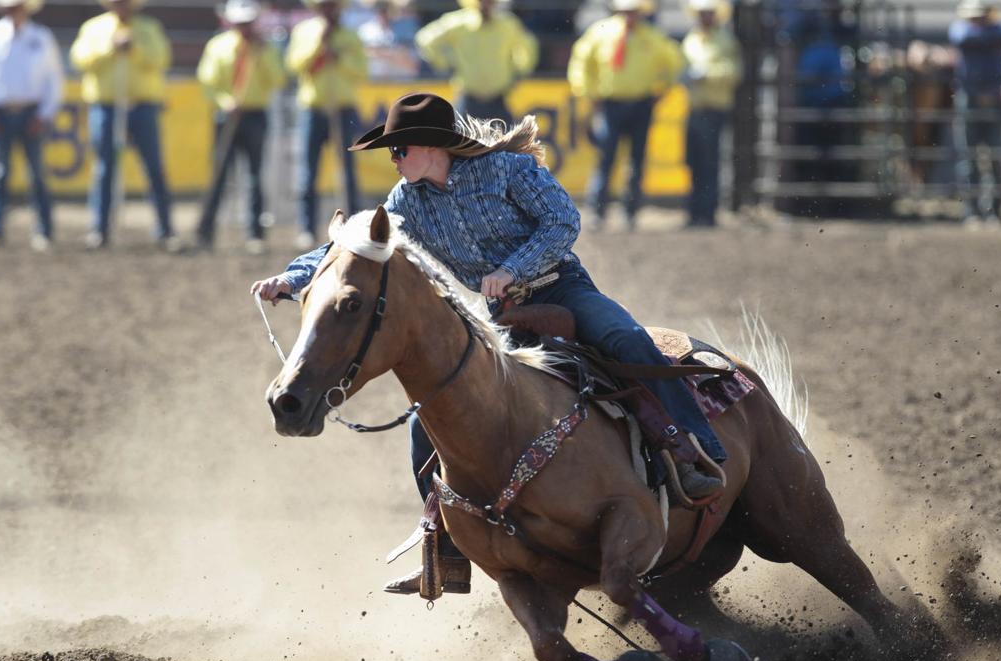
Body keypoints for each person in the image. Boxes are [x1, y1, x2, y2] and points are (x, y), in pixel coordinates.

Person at [252, 92, 727, 594]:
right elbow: (346, 250)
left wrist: (512, 268)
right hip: (499, 317)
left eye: (399, 150)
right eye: (391, 154)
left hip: (560, 288)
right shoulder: (405, 202)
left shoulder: (505, 170)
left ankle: (693, 453)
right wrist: (291, 278)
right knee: (425, 422)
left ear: (432, 146)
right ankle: (446, 545)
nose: (393, 162)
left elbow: (563, 220)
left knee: (625, 340)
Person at [70, 0, 180, 251]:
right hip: (106, 106)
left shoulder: (149, 28)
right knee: (104, 168)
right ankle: (99, 229)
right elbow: (80, 59)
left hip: (143, 106)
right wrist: (110, 48)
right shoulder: (94, 28)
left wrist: (135, 49)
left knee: (154, 169)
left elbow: (161, 59)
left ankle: (165, 229)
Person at [568, 0, 685, 229]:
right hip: (611, 104)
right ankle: (598, 210)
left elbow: (674, 62)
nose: (629, 16)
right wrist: (588, 93)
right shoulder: (602, 34)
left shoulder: (652, 36)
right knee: (606, 157)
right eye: (626, 12)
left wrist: (663, 89)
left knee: (636, 159)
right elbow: (581, 62)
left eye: (633, 12)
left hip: (641, 103)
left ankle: (630, 211)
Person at [0, 0, 64, 254]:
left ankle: (44, 232)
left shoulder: (41, 38)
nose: (13, 10)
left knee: (37, 173)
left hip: (32, 113)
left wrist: (44, 114)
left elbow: (54, 79)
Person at [195, 0, 285, 253]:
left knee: (255, 175)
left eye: (248, 23)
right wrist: (225, 102)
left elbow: (277, 79)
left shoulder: (265, 49)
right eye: (240, 23)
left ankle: (255, 233)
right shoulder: (218, 47)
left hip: (255, 114)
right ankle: (206, 230)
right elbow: (207, 83)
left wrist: (263, 54)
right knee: (219, 173)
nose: (244, 28)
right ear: (231, 23)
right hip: (226, 116)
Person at [286, 0, 368, 249]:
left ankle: (352, 225)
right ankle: (307, 228)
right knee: (308, 173)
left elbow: (361, 70)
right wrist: (318, 47)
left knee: (347, 171)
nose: (329, 9)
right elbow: (294, 65)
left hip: (342, 109)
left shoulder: (351, 36)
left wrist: (339, 57)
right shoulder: (304, 32)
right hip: (313, 108)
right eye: (325, 5)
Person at [949, 0, 1001, 225]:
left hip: (991, 97)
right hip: (969, 97)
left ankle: (994, 210)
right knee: (968, 156)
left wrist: (986, 34)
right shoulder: (964, 31)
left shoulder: (997, 31)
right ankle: (971, 210)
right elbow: (961, 37)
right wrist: (989, 36)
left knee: (996, 155)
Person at [414, 0, 538, 125]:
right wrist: (444, 64)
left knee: (507, 143)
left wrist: (520, 69)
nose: (485, 4)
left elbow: (528, 45)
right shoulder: (459, 22)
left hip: (498, 99)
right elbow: (425, 39)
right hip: (469, 98)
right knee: (461, 140)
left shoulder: (508, 23)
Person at [681, 0, 741, 227]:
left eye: (707, 13)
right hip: (695, 108)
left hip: (713, 108)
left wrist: (707, 75)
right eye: (701, 13)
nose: (704, 17)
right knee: (694, 162)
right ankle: (695, 212)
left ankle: (707, 213)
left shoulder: (725, 41)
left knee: (708, 163)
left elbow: (734, 72)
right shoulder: (691, 40)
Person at [356, 0, 421, 81]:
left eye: (388, 8)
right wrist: (391, 53)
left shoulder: (406, 28)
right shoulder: (365, 30)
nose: (384, 12)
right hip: (372, 84)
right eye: (381, 7)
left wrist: (382, 53)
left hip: (401, 84)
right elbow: (360, 56)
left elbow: (413, 65)